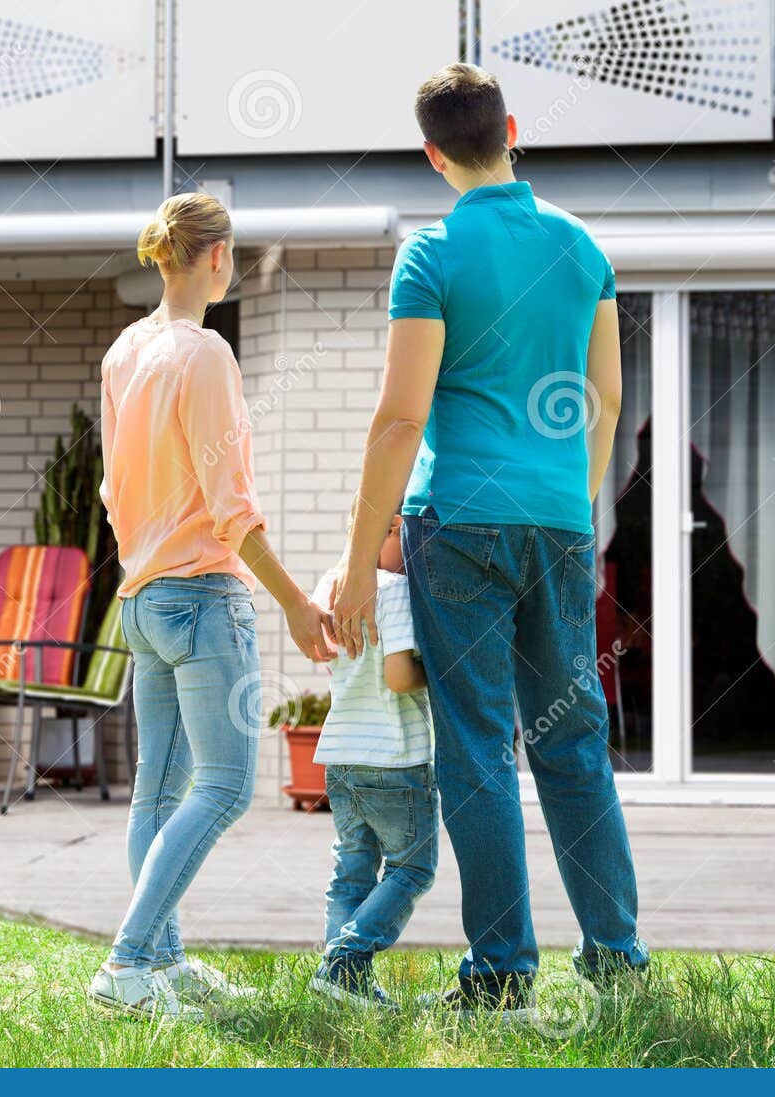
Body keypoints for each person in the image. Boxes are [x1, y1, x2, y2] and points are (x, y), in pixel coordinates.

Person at [331, 64, 647, 1018]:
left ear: (433, 155)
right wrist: (573, 503)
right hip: (558, 523)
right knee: (573, 741)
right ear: (512, 129)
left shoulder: (429, 256)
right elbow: (610, 398)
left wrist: (355, 567)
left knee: (474, 746)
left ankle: (503, 971)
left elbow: (398, 420)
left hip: (458, 524)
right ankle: (617, 960)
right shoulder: (582, 244)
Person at [89, 192, 335, 1020]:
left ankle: (160, 964)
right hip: (201, 596)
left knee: (157, 794)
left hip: (144, 599)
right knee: (226, 787)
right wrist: (298, 603)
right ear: (218, 257)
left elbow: (110, 491)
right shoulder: (206, 356)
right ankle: (127, 962)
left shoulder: (125, 351)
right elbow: (233, 508)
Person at [308, 516, 438, 1009]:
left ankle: (342, 985)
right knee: (412, 869)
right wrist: (442, 673)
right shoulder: (395, 590)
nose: (416, 550)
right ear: (384, 531)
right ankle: (344, 960)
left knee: (351, 871)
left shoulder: (332, 583)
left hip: (341, 754)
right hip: (394, 757)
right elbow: (400, 677)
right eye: (408, 536)